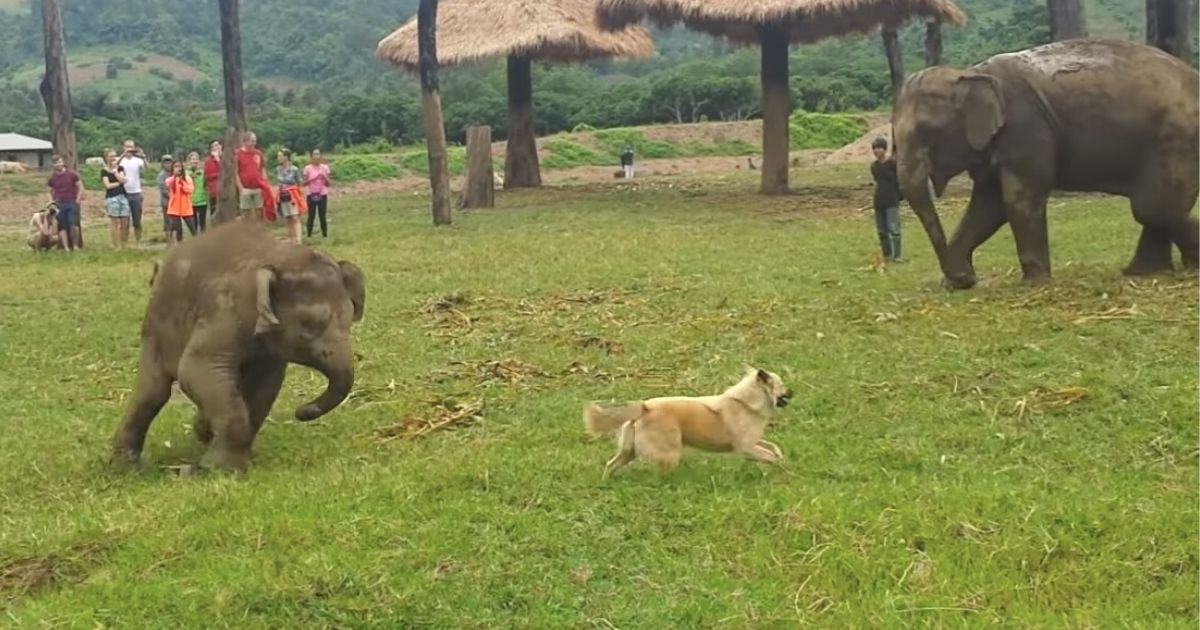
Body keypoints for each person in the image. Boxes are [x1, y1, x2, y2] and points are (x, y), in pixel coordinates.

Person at [870, 136, 903, 263]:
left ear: (884, 149)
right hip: (878, 201)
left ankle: (897, 256)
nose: (876, 151)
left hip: (891, 200)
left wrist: (900, 196)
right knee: (882, 231)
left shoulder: (892, 164)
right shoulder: (874, 166)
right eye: (874, 149)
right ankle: (887, 255)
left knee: (894, 229)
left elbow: (899, 181)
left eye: (878, 148)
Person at [46, 154, 82, 251]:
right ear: (53, 165)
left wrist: (77, 201)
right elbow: (49, 192)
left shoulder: (72, 174)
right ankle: (66, 247)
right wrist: (51, 203)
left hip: (71, 202)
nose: (59, 164)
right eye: (56, 163)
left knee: (73, 225)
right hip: (59, 204)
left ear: (63, 163)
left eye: (60, 162)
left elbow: (80, 187)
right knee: (62, 227)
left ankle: (75, 245)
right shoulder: (52, 178)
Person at [236, 131, 275, 220]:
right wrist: (240, 188)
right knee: (246, 211)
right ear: (246, 141)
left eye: (255, 141)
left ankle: (259, 229)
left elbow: (263, 168)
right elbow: (236, 172)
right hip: (245, 187)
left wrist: (265, 182)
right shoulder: (238, 154)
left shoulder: (258, 153)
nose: (254, 143)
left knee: (259, 210)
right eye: (252, 141)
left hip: (258, 186)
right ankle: (247, 230)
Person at [118, 139, 147, 246]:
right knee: (124, 221)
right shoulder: (120, 160)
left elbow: (146, 170)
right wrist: (123, 155)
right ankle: (123, 243)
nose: (129, 149)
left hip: (136, 192)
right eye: (127, 146)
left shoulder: (138, 160)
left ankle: (138, 242)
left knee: (137, 220)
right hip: (123, 193)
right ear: (123, 147)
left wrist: (143, 157)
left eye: (131, 147)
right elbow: (114, 166)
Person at [100, 149, 131, 248]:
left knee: (125, 221)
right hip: (112, 198)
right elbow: (107, 186)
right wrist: (118, 183)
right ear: (106, 158)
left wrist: (115, 173)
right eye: (110, 156)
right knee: (114, 222)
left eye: (114, 156)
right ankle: (116, 245)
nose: (113, 158)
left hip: (123, 197)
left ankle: (123, 243)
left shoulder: (120, 168)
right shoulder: (104, 171)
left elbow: (125, 180)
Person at [276, 149, 306, 244]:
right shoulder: (278, 169)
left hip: (293, 194)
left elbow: (300, 182)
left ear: (286, 157)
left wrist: (300, 197)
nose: (278, 158)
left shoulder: (294, 169)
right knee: (288, 217)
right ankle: (292, 239)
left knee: (295, 217)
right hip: (283, 194)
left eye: (280, 156)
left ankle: (298, 240)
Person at [164, 160, 197, 246]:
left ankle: (197, 245)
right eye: (176, 166)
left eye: (179, 166)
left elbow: (190, 190)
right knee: (178, 229)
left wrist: (182, 182)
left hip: (186, 208)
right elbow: (168, 184)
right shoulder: (170, 179)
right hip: (174, 208)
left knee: (193, 228)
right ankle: (179, 247)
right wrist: (175, 177)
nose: (178, 168)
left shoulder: (187, 178)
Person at [303, 148, 331, 238]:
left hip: (322, 194)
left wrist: (324, 177)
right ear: (311, 157)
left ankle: (325, 235)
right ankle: (309, 235)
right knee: (311, 215)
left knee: (322, 215)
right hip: (311, 194)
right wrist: (313, 178)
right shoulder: (307, 168)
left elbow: (328, 183)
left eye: (318, 154)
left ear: (321, 156)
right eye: (314, 154)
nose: (316, 156)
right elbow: (304, 183)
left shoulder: (325, 168)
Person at [186, 151, 209, 232]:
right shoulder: (185, 173)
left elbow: (206, 184)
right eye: (193, 159)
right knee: (193, 223)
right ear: (189, 161)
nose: (195, 161)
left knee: (202, 223)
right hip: (190, 201)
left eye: (196, 159)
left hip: (202, 200)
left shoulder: (203, 172)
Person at [203, 140, 221, 221]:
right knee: (214, 213)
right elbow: (207, 176)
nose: (216, 148)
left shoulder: (226, 158)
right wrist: (218, 175)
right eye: (213, 146)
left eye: (217, 145)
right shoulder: (208, 161)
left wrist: (218, 160)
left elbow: (227, 172)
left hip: (227, 192)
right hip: (214, 191)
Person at [156, 155, 173, 239]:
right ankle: (169, 239)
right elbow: (163, 190)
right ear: (163, 164)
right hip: (166, 201)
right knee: (167, 221)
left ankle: (174, 238)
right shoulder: (161, 175)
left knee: (175, 220)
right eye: (166, 163)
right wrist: (173, 197)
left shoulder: (174, 173)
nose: (168, 165)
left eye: (169, 163)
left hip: (175, 202)